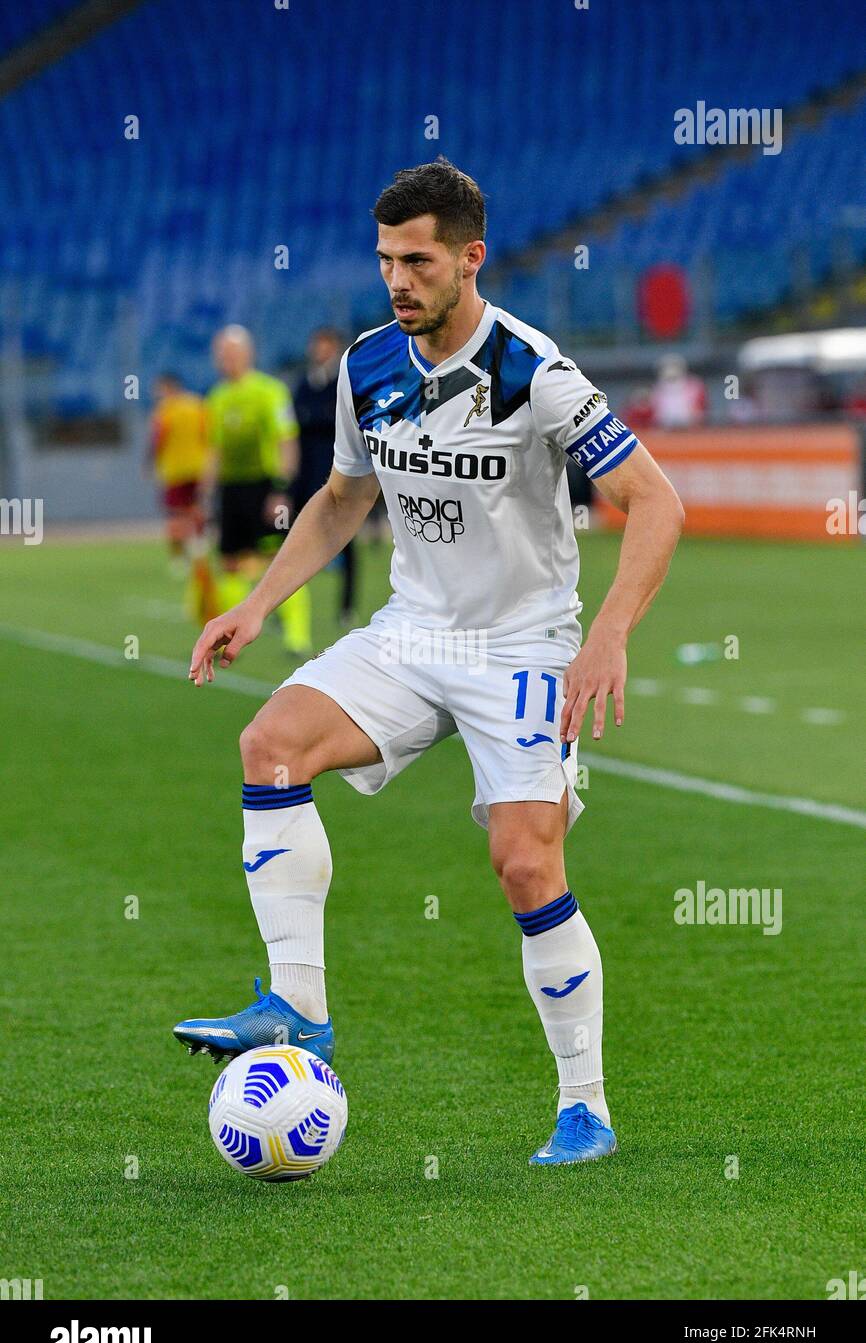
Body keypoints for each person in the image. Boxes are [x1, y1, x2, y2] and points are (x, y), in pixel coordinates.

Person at [177, 159, 684, 1166]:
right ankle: (297, 1006)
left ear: (469, 258)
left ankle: (583, 1107)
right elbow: (341, 498)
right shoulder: (367, 366)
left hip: (521, 646)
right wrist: (257, 603)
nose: (397, 280)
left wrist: (608, 634)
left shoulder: (533, 374)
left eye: (417, 261)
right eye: (385, 261)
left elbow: (656, 502)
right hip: (412, 634)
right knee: (269, 743)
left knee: (525, 862)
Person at [205, 326, 311, 654]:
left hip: (265, 487)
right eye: (221, 354)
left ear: (248, 354)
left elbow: (286, 440)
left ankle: (296, 636)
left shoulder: (270, 391)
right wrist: (205, 494)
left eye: (231, 353)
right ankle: (229, 637)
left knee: (277, 559)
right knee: (230, 562)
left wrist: (281, 490)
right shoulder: (217, 397)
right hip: (231, 489)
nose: (225, 359)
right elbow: (215, 450)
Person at [292, 328, 358, 626]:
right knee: (295, 537)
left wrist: (315, 418)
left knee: (346, 538)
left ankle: (346, 606)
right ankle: (289, 606)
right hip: (306, 471)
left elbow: (340, 420)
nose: (319, 350)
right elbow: (299, 420)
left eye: (325, 345)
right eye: (316, 345)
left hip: (338, 470)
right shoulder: (305, 383)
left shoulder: (345, 380)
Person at [147, 373, 207, 572]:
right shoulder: (198, 405)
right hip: (198, 467)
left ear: (167, 387)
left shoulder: (164, 410)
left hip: (175, 470)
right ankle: (199, 548)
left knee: (175, 513)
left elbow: (158, 439)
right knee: (196, 509)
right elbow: (208, 435)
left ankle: (179, 557)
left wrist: (150, 463)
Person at [650, 354, 707, 428]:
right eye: (667, 367)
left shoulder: (695, 385)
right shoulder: (656, 389)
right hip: (664, 427)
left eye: (674, 366)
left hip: (690, 426)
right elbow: (654, 412)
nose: (671, 370)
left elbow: (701, 409)